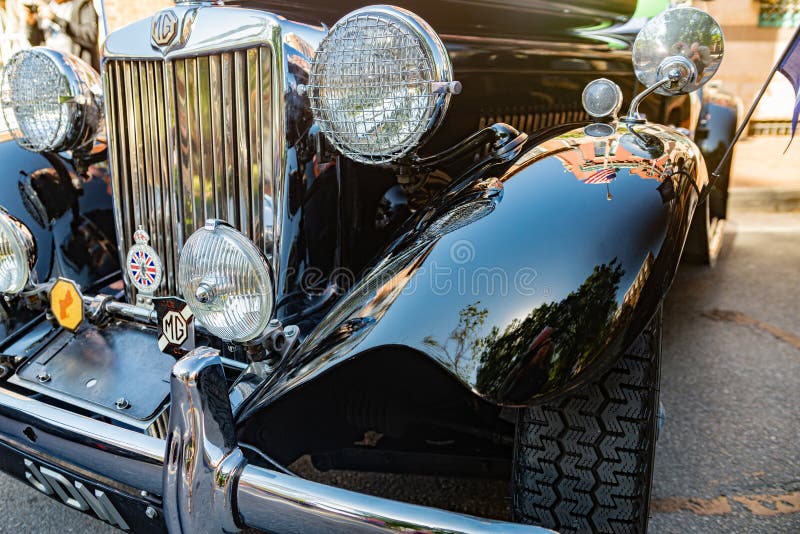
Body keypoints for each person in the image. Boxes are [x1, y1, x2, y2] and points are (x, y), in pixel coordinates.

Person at [24, 0, 99, 70]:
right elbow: (35, 42)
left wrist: (55, 18)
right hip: (51, 69)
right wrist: (31, 24)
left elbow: (90, 36)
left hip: (75, 70)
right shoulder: (46, 6)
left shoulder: (82, 5)